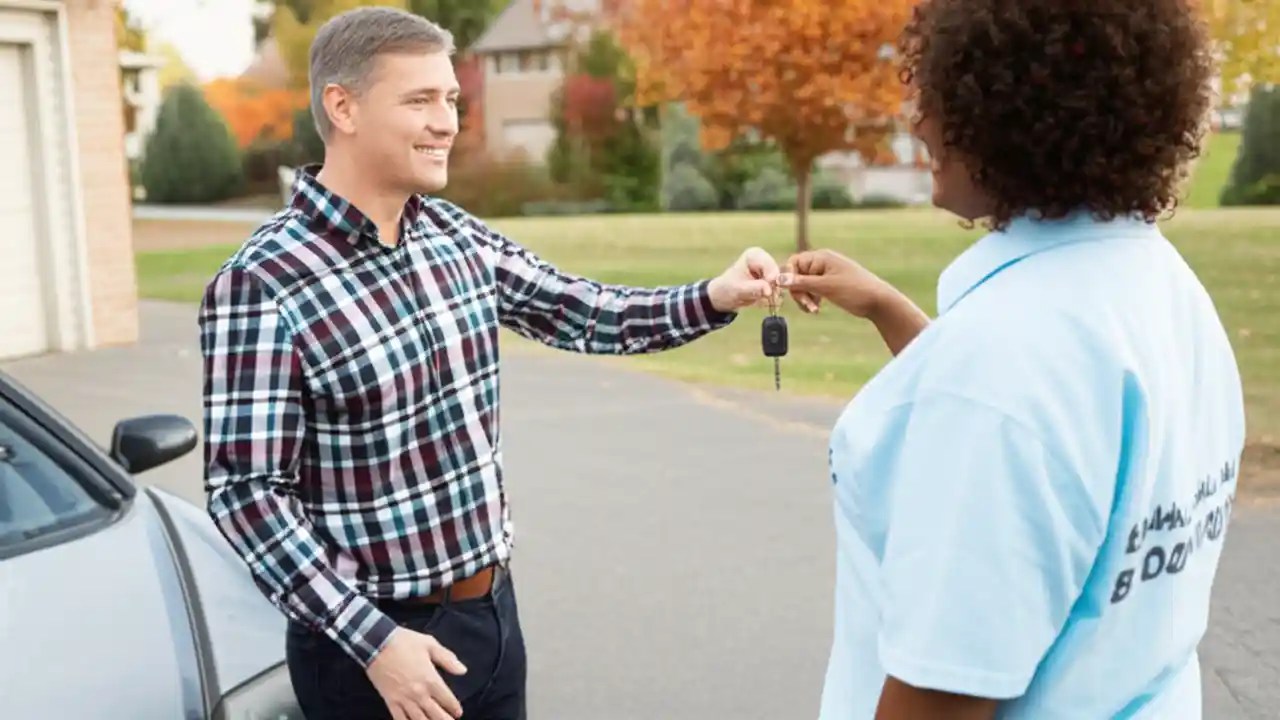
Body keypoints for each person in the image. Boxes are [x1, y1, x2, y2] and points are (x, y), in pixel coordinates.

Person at [197, 8, 779, 720]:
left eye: (451, 100)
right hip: (372, 651)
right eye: (420, 101)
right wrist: (375, 642)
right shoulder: (263, 281)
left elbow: (582, 310)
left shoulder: (452, 235)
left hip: (492, 616)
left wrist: (714, 296)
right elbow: (247, 493)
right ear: (341, 107)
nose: (447, 122)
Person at [777, 0, 1243, 717]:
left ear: (1010, 110)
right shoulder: (1161, 287)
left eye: (937, 93)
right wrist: (887, 308)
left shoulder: (1002, 365)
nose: (917, 120)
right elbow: (1055, 445)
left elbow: (945, 694)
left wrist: (961, 360)